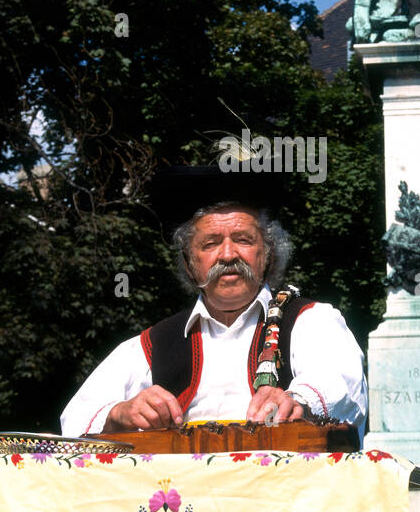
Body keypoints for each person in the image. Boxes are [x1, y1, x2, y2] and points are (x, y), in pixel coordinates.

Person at [60, 185, 367, 436]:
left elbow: (343, 388)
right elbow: (74, 421)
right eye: (210, 243)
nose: (228, 254)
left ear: (268, 254)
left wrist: (297, 400)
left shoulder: (311, 321)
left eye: (244, 240)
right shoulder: (155, 342)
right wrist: (119, 415)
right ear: (189, 263)